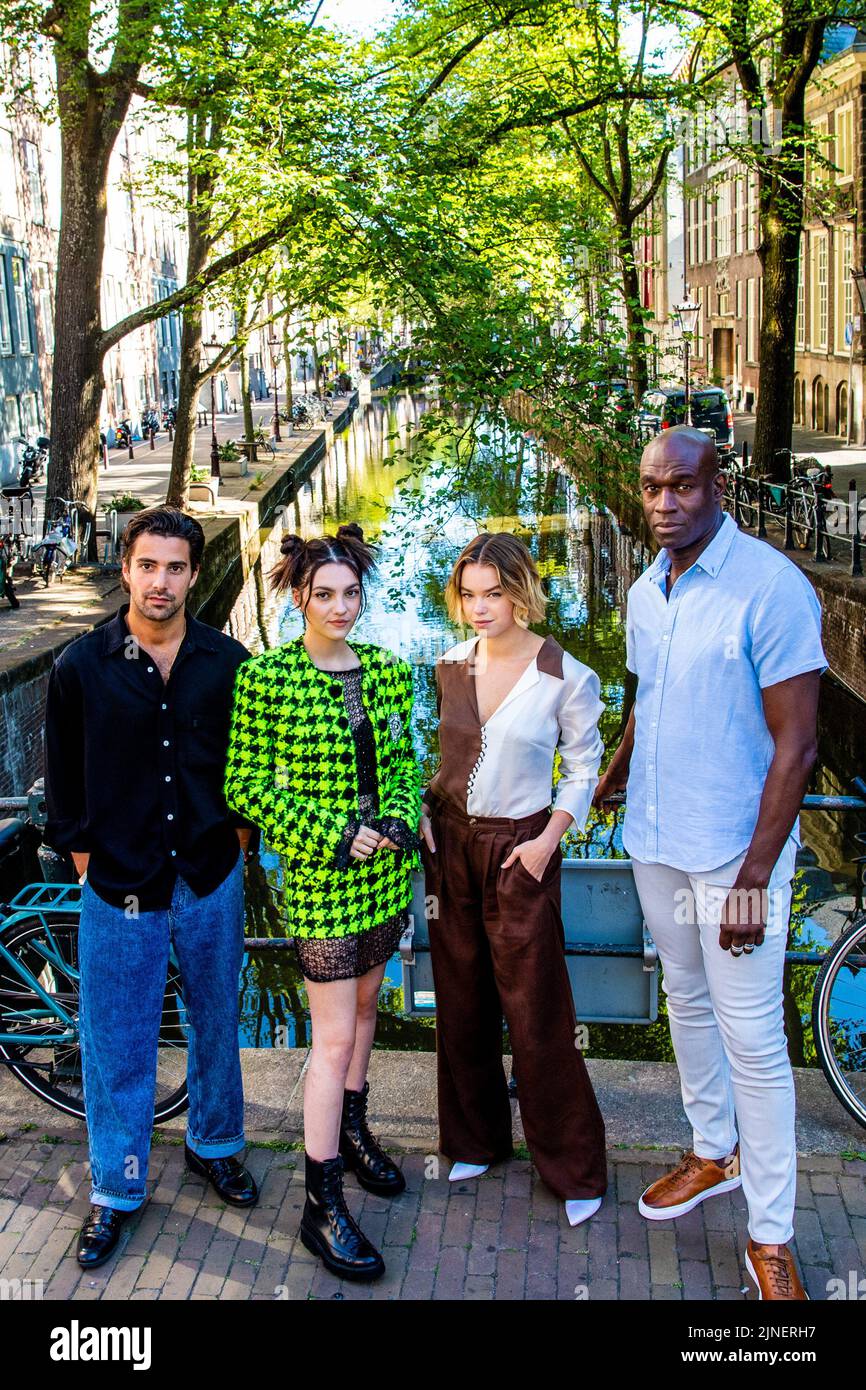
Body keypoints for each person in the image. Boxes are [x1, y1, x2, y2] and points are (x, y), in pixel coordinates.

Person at [594, 426, 827, 1301]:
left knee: (757, 1042)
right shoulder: (646, 591)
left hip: (732, 853)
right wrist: (619, 772)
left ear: (717, 486)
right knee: (685, 999)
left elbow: (797, 748)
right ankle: (710, 1148)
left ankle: (771, 1236)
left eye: (681, 487)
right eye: (653, 487)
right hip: (656, 839)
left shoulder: (771, 589)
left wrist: (754, 881)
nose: (663, 504)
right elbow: (647, 700)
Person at [43, 505, 260, 1272]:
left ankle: (214, 1146)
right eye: (147, 565)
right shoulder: (79, 667)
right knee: (118, 1039)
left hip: (208, 873)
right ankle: (117, 1188)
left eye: (175, 567)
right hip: (119, 883)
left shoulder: (229, 663)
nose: (160, 581)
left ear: (194, 575)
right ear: (125, 568)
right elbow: (63, 782)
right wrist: (84, 863)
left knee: (215, 1018)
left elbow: (251, 771)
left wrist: (236, 842)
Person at [224, 523, 421, 1282]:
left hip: (383, 878)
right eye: (324, 594)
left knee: (369, 1012)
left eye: (351, 593)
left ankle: (356, 1127)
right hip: (322, 882)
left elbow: (406, 758)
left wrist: (396, 820)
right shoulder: (267, 679)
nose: (340, 607)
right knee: (333, 1038)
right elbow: (246, 785)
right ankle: (321, 1203)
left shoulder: (387, 668)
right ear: (299, 595)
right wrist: (338, 833)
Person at [419, 531, 608, 1226]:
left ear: (522, 591)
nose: (479, 607)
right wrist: (426, 811)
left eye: (493, 593)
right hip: (451, 845)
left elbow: (584, 771)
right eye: (468, 594)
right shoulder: (450, 664)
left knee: (537, 1009)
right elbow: (441, 751)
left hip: (521, 849)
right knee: (460, 997)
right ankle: (474, 1140)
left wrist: (545, 844)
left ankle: (575, 1168)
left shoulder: (567, 675)